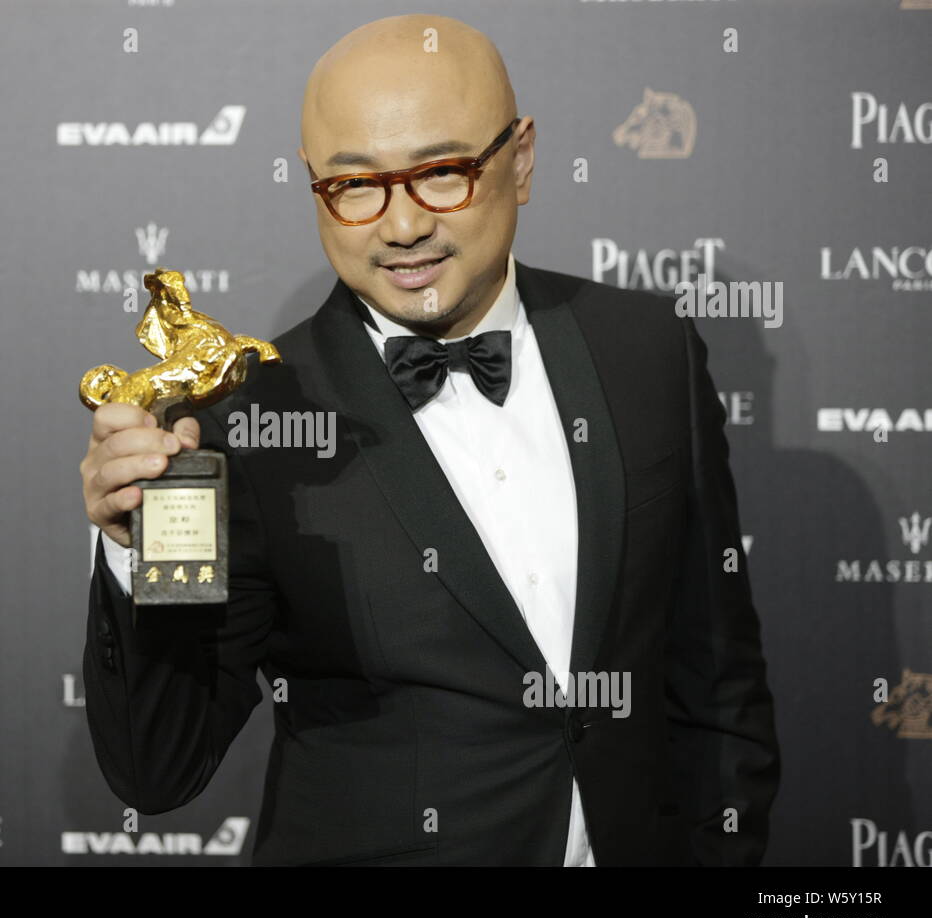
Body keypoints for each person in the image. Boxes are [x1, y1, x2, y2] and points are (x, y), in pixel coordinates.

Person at [77, 13, 780, 866]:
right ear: (312, 186)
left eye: (442, 173)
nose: (402, 226)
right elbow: (159, 766)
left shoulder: (647, 351)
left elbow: (716, 679)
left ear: (520, 162)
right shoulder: (245, 422)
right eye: (355, 186)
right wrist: (130, 550)